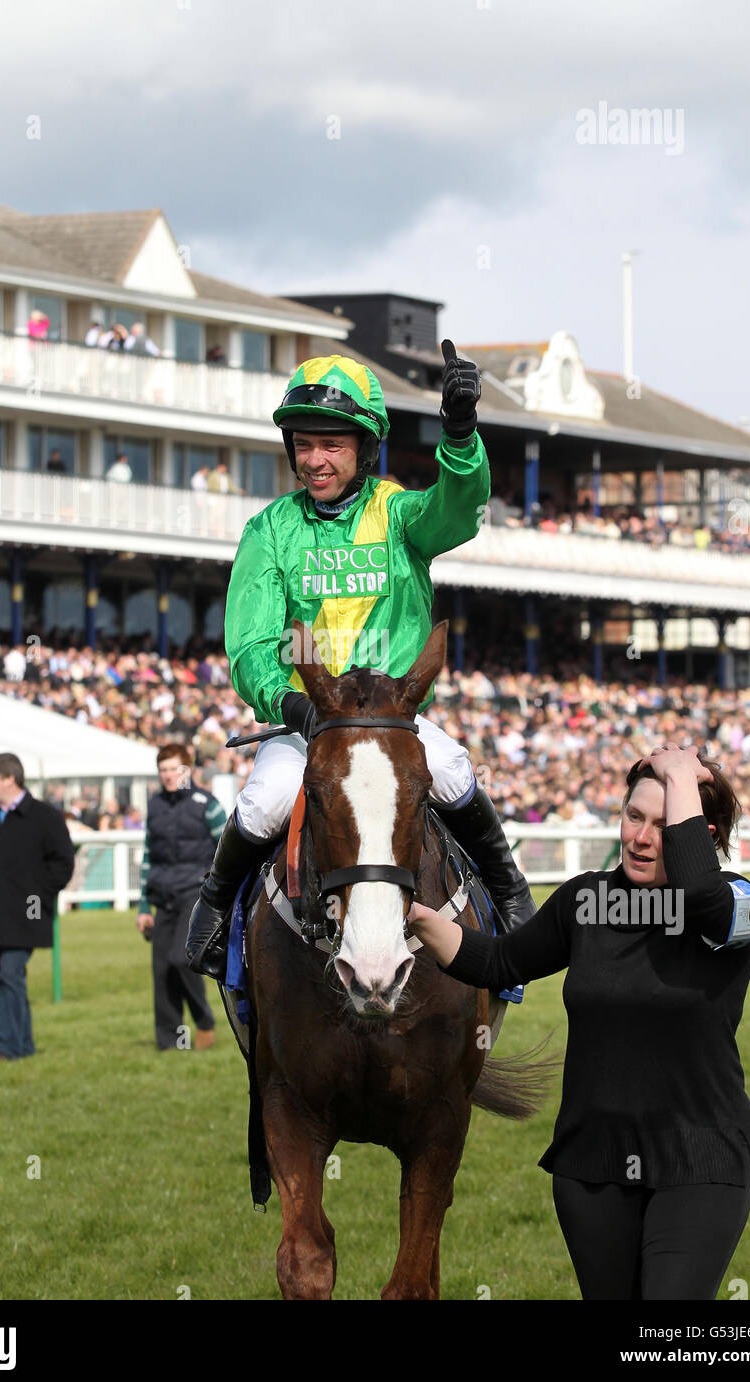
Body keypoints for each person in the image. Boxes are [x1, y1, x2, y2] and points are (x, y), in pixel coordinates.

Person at [187, 346, 534, 977]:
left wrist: (460, 434)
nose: (314, 460)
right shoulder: (269, 530)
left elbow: (458, 514)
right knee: (265, 801)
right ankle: (214, 910)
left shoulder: (399, 514)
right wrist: (287, 702)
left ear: (364, 447)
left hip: (391, 719)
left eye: (332, 445)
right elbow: (251, 641)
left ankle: (509, 892)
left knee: (453, 768)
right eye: (303, 444)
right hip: (307, 722)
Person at [408, 742, 750, 1301]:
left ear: (705, 834)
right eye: (633, 816)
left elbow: (698, 890)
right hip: (592, 1165)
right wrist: (411, 914)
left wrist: (675, 770)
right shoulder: (586, 901)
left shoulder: (738, 904)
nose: (641, 838)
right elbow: (499, 961)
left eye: (664, 825)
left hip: (701, 1160)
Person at [0, 753, 74, 1060]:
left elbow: (63, 862)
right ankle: (23, 1045)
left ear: (9, 779)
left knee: (10, 972)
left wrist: (37, 896)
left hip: (28, 913)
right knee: (5, 976)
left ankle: (8, 1046)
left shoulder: (44, 816)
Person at [136, 744, 225, 1050]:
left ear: (189, 770)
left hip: (195, 894)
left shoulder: (207, 804)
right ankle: (170, 1041)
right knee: (161, 970)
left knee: (180, 958)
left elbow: (226, 852)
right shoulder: (155, 805)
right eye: (163, 770)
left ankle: (204, 1021)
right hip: (162, 895)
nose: (169, 776)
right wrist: (143, 906)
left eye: (175, 769)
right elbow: (149, 856)